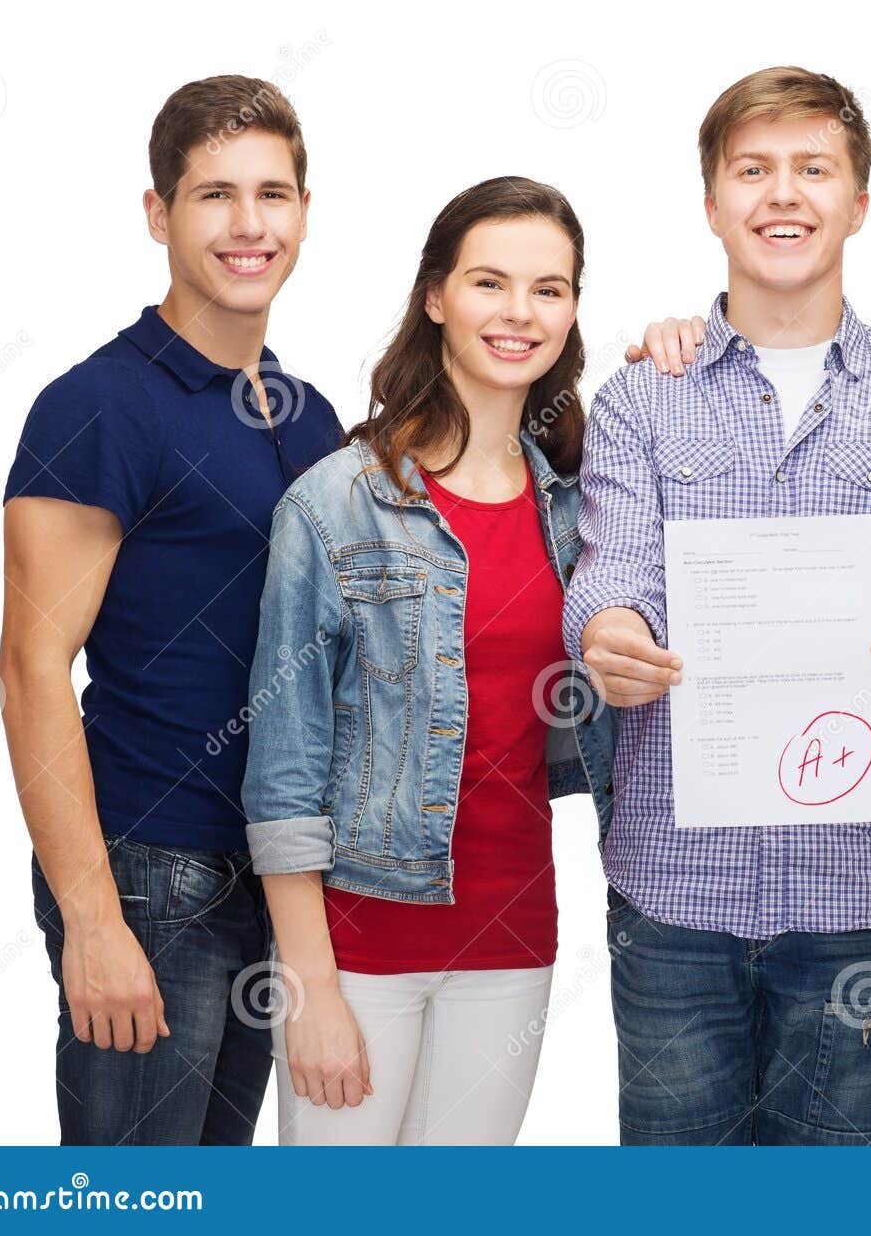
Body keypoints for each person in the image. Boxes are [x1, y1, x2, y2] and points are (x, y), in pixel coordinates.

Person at [565, 66, 871, 1145]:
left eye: (815, 168)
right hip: (674, 883)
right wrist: (609, 633)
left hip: (857, 885)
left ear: (858, 202)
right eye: (752, 170)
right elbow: (611, 564)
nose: (783, 194)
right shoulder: (639, 397)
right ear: (710, 203)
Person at [0, 76, 342, 1145]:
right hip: (150, 875)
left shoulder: (308, 411)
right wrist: (93, 920)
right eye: (214, 196)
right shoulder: (97, 404)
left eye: (274, 195)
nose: (250, 225)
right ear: (158, 214)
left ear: (304, 210)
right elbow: (28, 669)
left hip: (275, 874)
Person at [239, 177, 615, 1145]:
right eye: (491, 282)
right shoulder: (335, 502)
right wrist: (310, 985)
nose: (519, 313)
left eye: (550, 288)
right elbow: (283, 768)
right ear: (436, 297)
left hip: (515, 934)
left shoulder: (578, 507)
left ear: (572, 312)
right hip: (359, 946)